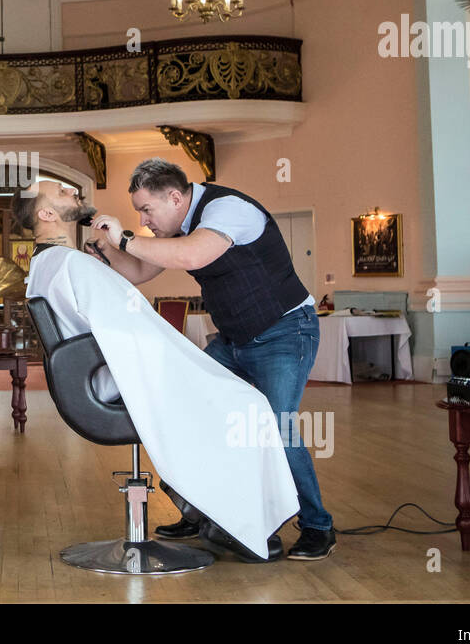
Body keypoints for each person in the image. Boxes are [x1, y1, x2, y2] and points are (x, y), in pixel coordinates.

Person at [12, 180, 298, 561]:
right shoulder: (70, 263)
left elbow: (125, 314)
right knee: (247, 403)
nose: (74, 194)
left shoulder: (51, 263)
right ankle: (239, 522)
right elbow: (135, 330)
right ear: (45, 214)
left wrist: (114, 249)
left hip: (97, 380)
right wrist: (182, 360)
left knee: (227, 397)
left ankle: (203, 506)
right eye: (62, 194)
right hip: (116, 378)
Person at [91, 158, 335, 560]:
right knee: (184, 410)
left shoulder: (228, 209)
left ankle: (317, 527)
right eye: (138, 212)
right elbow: (135, 270)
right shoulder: (174, 227)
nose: (143, 218)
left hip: (285, 332)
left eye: (146, 209)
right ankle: (200, 510)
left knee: (277, 428)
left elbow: (192, 255)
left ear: (174, 197)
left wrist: (125, 238)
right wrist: (105, 248)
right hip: (235, 340)